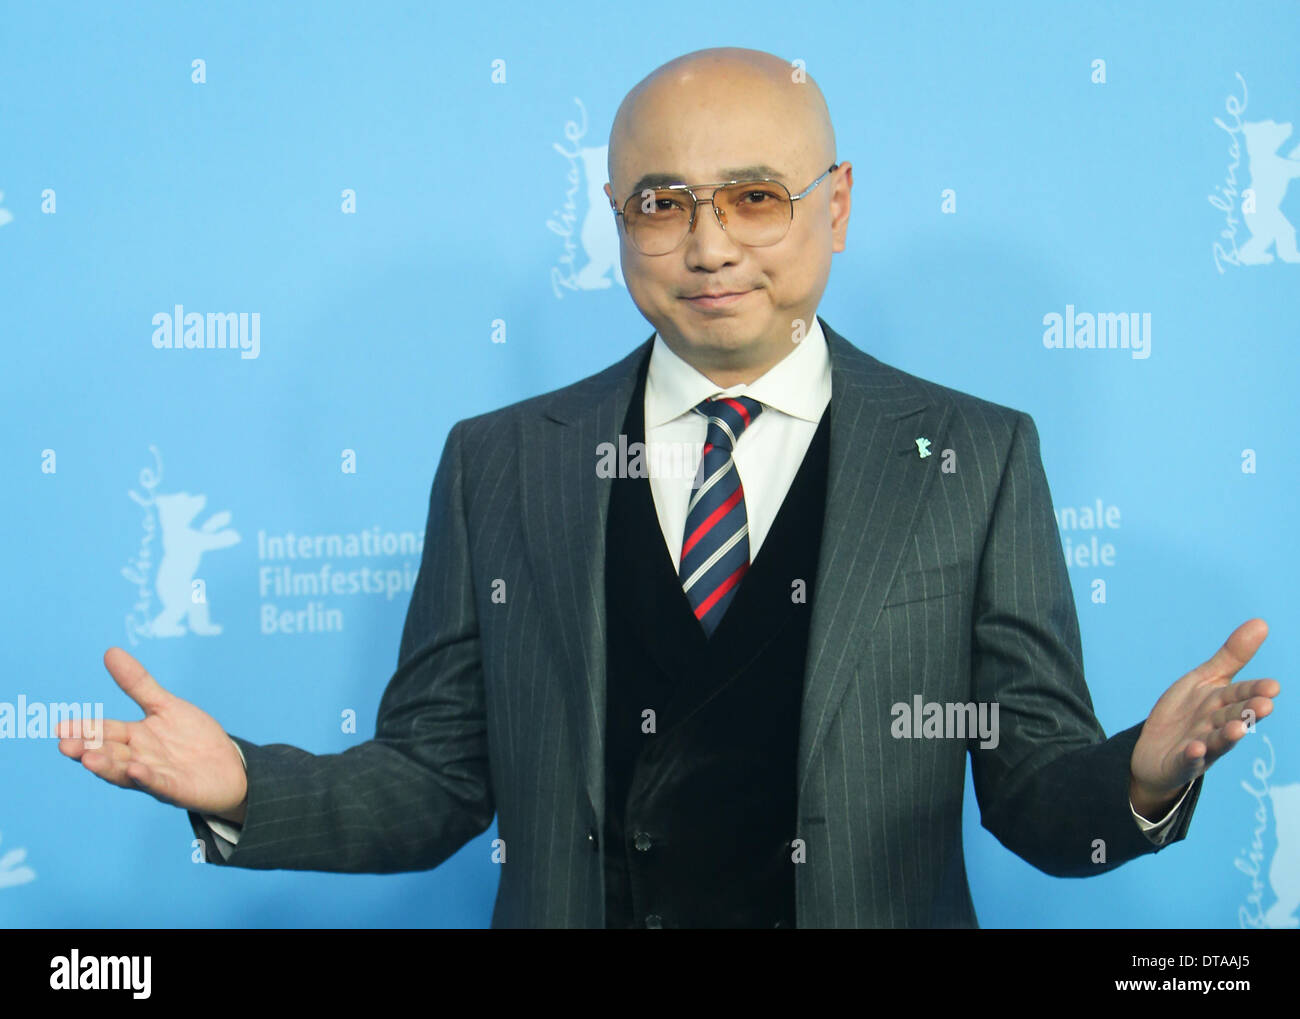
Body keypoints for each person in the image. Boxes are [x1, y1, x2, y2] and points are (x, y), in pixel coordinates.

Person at [59, 47, 1279, 929]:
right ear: (614, 219)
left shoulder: (973, 455)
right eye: (663, 203)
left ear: (835, 207)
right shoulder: (503, 460)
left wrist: (1138, 778)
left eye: (755, 196)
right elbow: (433, 780)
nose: (709, 244)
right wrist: (247, 789)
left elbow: (1028, 786)